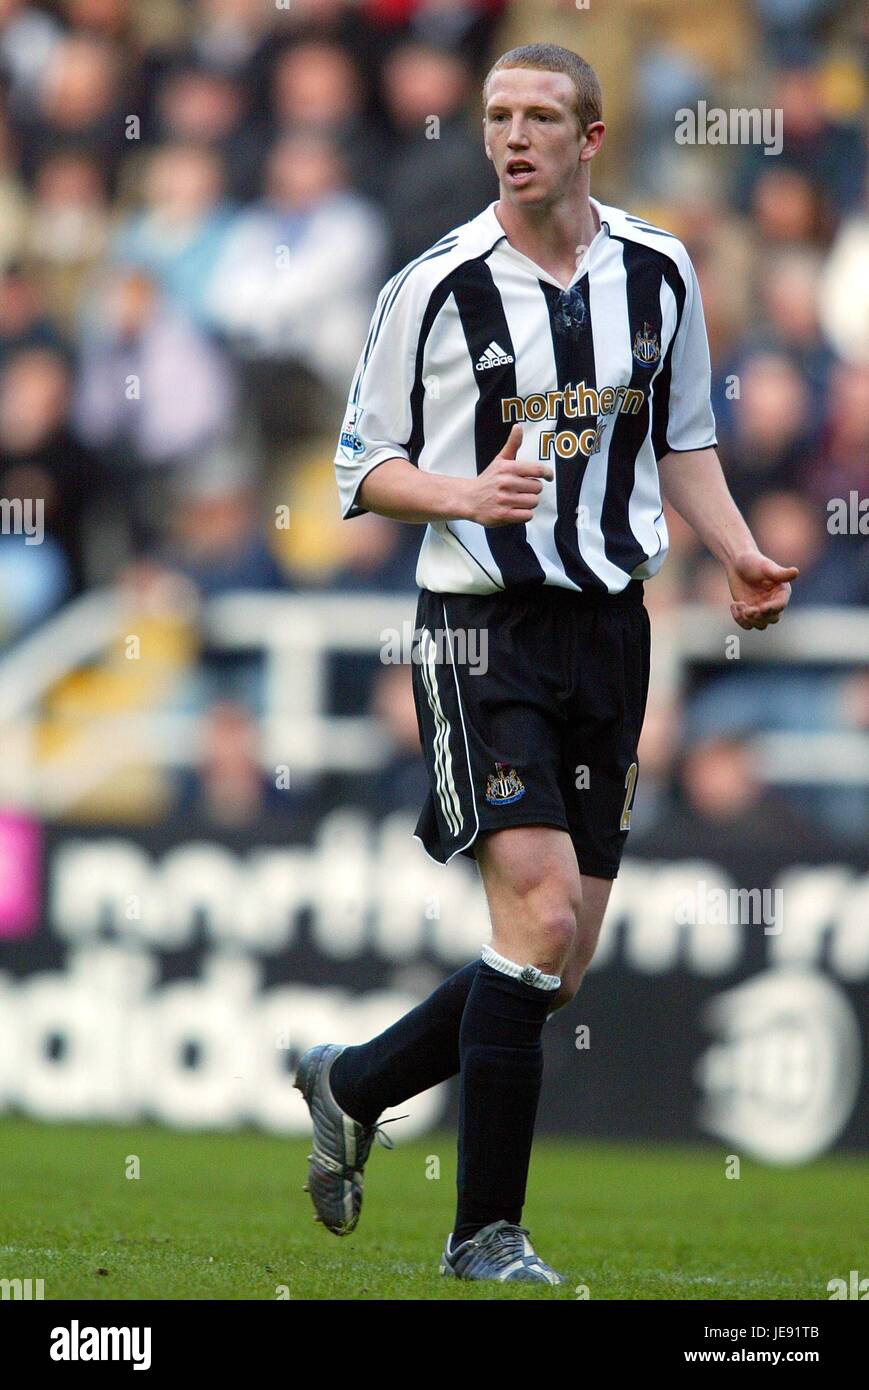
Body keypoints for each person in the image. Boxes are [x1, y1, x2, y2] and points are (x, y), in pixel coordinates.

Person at [295, 42, 799, 1285]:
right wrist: (465, 490)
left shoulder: (658, 270)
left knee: (554, 966)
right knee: (539, 914)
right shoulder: (433, 284)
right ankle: (484, 1236)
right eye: (494, 116)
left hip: (611, 631)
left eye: (537, 117)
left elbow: (683, 444)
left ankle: (351, 1082)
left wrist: (735, 553)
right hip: (481, 629)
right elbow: (360, 468)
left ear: (589, 136)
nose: (511, 136)